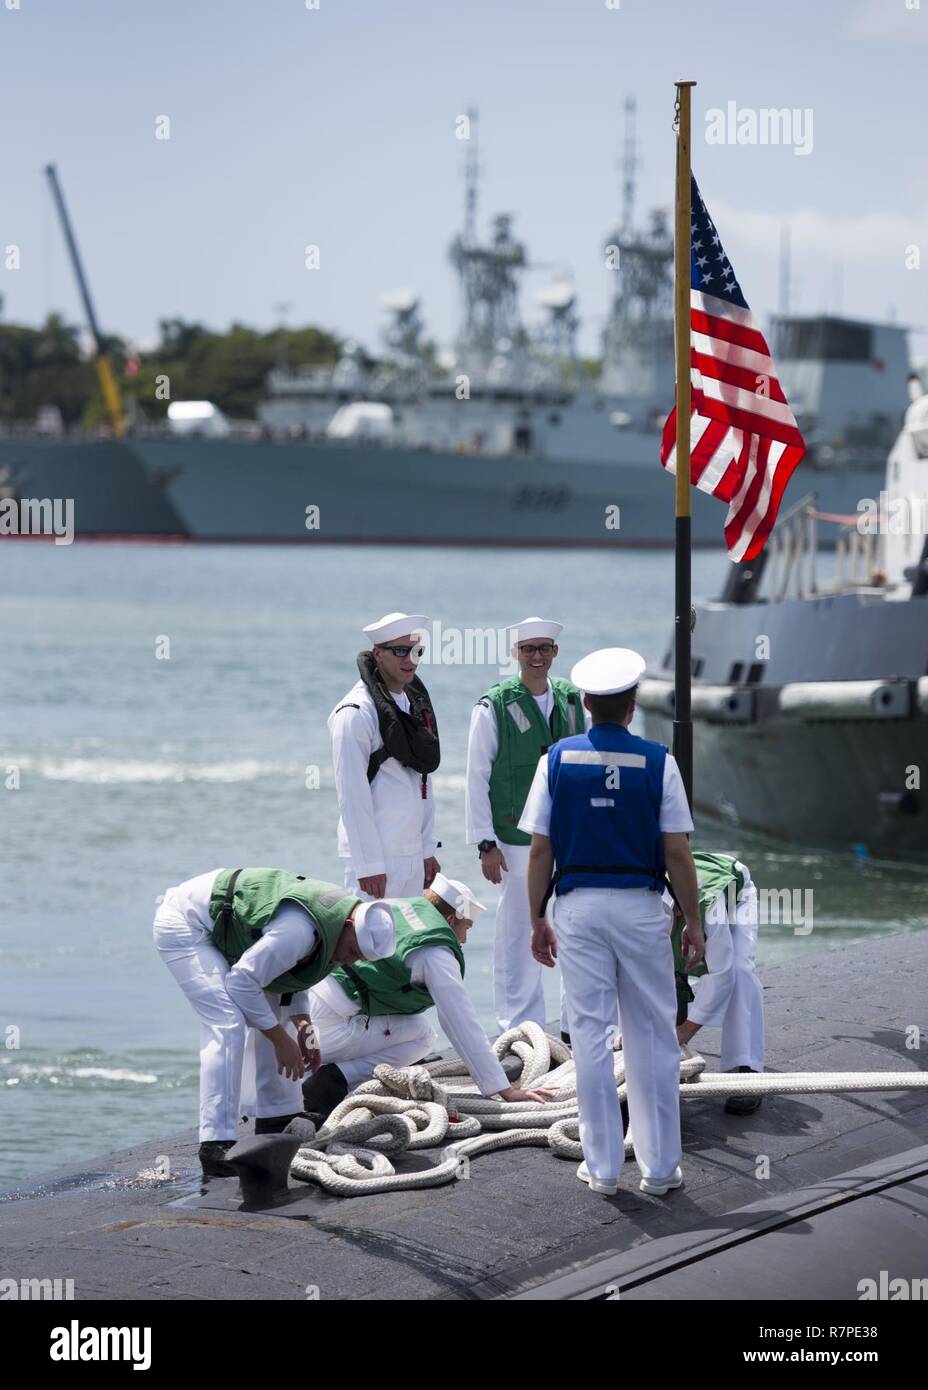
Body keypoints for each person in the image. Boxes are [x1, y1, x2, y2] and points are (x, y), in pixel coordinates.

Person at [520, 647, 705, 1198]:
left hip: (577, 909)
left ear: (583, 703)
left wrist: (535, 918)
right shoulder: (658, 761)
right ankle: (660, 1167)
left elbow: (538, 852)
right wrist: (693, 921)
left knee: (593, 1039)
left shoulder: (555, 760)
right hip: (642, 909)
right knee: (652, 1037)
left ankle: (601, 1168)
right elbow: (676, 851)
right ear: (633, 704)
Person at [153, 867, 396, 1176]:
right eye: (351, 951)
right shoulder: (298, 931)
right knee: (227, 1022)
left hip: (231, 931)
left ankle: (277, 1116)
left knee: (273, 1010)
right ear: (349, 925)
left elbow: (289, 976)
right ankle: (215, 1144)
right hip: (186, 924)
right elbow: (242, 982)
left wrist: (303, 1027)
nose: (349, 960)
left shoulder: (334, 923)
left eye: (358, 958)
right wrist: (281, 1040)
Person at [301, 873, 553, 1119]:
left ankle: (323, 1076)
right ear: (452, 919)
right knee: (422, 1036)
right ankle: (334, 1078)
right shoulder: (435, 951)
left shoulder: (393, 907)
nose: (464, 940)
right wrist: (503, 1089)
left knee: (414, 1027)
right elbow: (459, 1021)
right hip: (328, 1028)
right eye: (466, 927)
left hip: (304, 1006)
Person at [465, 616, 585, 1033]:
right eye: (528, 649)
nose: (537, 657)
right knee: (518, 930)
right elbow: (476, 775)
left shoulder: (572, 699)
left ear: (555, 653)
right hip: (515, 837)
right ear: (516, 653)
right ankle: (520, 1025)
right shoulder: (493, 705)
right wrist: (484, 842)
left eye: (544, 649)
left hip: (569, 835)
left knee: (574, 925)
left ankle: (575, 1022)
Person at [329, 612, 440, 900]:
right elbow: (352, 795)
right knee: (371, 944)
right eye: (400, 651)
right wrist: (368, 865)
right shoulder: (355, 713)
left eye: (416, 651)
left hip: (412, 854)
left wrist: (427, 849)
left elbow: (423, 782)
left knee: (408, 943)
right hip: (376, 860)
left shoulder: (414, 706)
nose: (410, 660)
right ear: (378, 655)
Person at [673, 852, 765, 1115]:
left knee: (740, 970)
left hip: (734, 890)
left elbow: (721, 975)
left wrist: (684, 1032)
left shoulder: (706, 908)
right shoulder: (642, 910)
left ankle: (746, 1069)